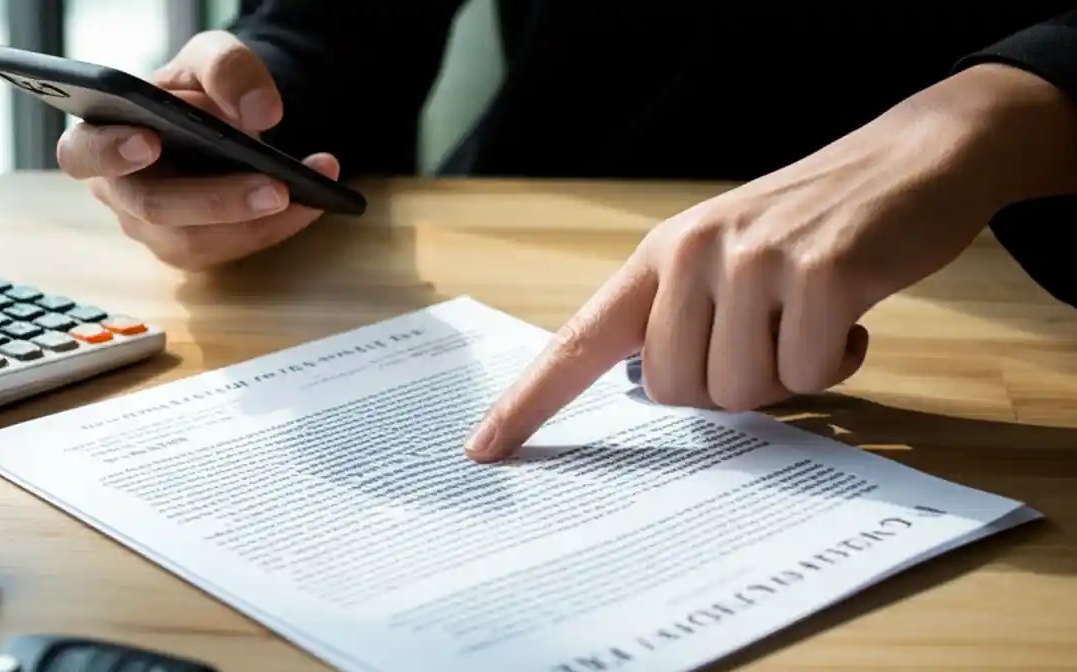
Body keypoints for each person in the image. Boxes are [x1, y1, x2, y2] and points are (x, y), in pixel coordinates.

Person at [57, 3, 1077, 463]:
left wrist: (1007, 106)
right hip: (493, 267)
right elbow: (344, 33)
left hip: (999, 286)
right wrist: (232, 117)